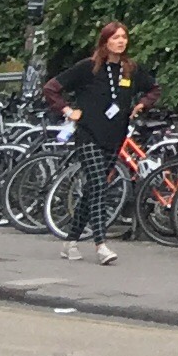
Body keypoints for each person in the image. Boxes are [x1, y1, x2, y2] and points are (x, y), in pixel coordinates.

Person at [46, 20, 154, 265]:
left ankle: (70, 241)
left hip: (114, 136)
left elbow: (153, 88)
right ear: (105, 41)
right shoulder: (89, 68)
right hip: (88, 135)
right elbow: (52, 88)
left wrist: (142, 105)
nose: (121, 41)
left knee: (92, 190)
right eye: (115, 37)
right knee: (98, 184)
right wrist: (67, 110)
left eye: (124, 37)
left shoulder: (130, 69)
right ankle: (100, 244)